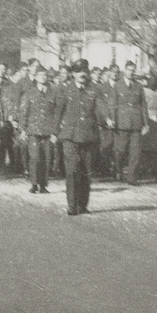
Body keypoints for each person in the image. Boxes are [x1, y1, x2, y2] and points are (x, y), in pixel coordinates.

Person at [54, 60, 98, 215]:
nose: (82, 74)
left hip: (87, 136)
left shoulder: (93, 90)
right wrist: (54, 132)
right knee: (72, 171)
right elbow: (58, 112)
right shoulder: (66, 90)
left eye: (85, 70)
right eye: (79, 71)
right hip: (70, 137)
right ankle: (72, 205)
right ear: (73, 74)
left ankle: (83, 205)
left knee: (86, 172)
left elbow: (100, 110)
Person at [19, 68, 56, 194]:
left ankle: (43, 185)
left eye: (45, 75)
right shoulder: (29, 93)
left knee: (46, 158)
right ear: (35, 77)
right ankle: (34, 184)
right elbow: (24, 112)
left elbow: (57, 113)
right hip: (33, 130)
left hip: (48, 130)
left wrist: (55, 132)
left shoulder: (53, 93)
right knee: (35, 158)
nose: (43, 77)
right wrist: (23, 129)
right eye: (40, 75)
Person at [112, 61, 149, 185]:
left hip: (136, 123)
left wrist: (146, 123)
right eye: (128, 69)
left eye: (133, 70)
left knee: (135, 151)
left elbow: (143, 105)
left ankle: (132, 177)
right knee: (120, 150)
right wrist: (112, 120)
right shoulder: (117, 85)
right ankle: (118, 170)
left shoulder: (138, 86)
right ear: (124, 70)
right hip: (121, 122)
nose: (131, 72)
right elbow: (113, 104)